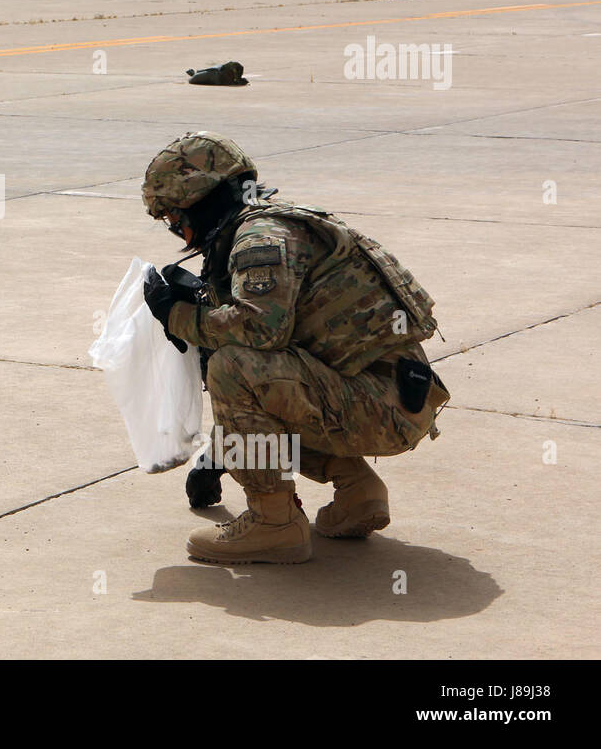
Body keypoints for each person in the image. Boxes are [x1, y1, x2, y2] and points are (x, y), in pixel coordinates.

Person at [140, 131, 448, 564]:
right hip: (390, 400)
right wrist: (217, 457)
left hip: (378, 409)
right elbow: (285, 366)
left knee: (230, 365)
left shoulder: (260, 239)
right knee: (241, 364)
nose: (178, 230)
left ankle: (274, 523)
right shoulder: (267, 227)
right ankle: (357, 490)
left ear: (199, 201)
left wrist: (176, 315)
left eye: (174, 216)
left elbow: (257, 337)